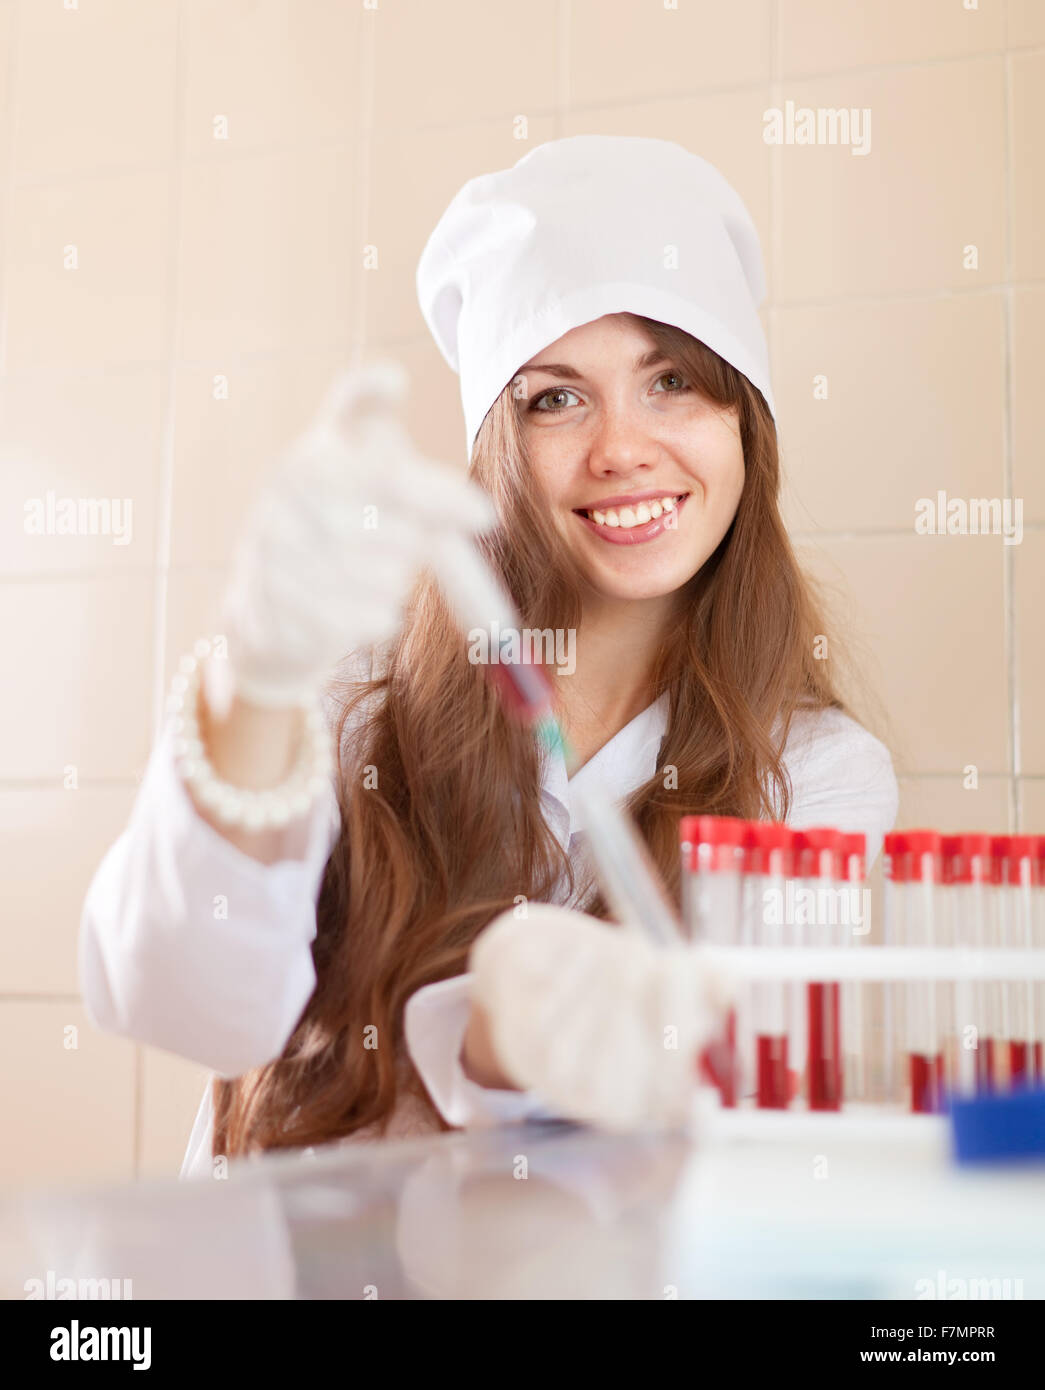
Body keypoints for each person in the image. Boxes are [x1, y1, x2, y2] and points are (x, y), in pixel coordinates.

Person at [79, 136, 898, 1179]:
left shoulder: (816, 774)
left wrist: (509, 1046)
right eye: (555, 397)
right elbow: (182, 995)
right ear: (495, 449)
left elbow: (741, 1126)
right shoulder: (344, 699)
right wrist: (254, 678)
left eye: (672, 381)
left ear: (745, 421)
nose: (621, 447)